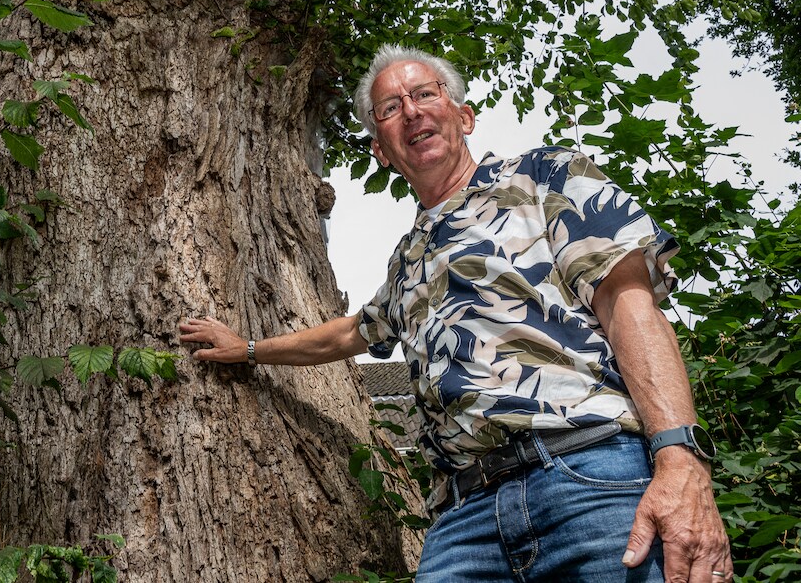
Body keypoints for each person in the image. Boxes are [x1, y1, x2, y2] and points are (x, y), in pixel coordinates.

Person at [179, 45, 732, 581]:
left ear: (463, 117)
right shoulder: (408, 260)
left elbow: (626, 303)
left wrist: (680, 458)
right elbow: (349, 333)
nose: (411, 110)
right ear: (381, 149)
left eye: (425, 93)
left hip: (588, 471)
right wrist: (246, 349)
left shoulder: (544, 176)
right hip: (464, 517)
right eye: (390, 108)